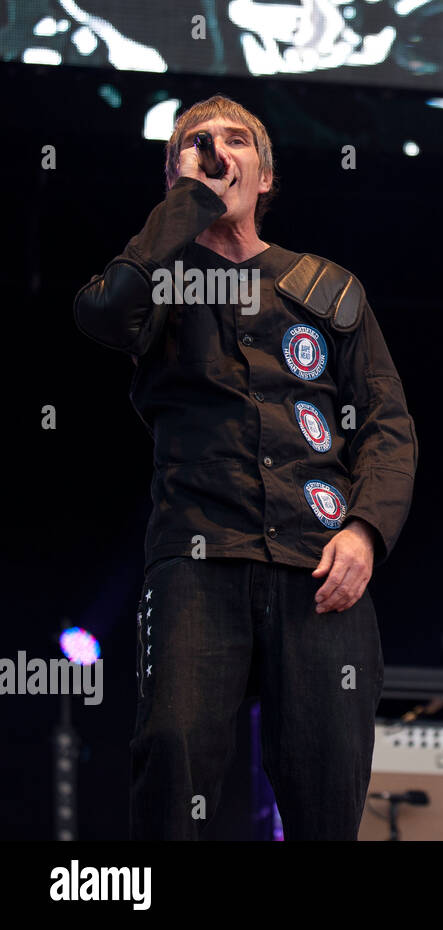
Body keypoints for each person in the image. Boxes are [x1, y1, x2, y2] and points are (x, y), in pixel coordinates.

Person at [74, 95, 418, 839]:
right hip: (200, 559)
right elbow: (103, 313)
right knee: (171, 756)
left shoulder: (329, 288)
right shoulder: (161, 284)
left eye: (236, 142)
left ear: (266, 176)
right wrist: (187, 203)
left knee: (326, 789)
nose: (218, 150)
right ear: (174, 175)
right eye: (196, 144)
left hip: (319, 569)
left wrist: (364, 532)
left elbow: (388, 426)